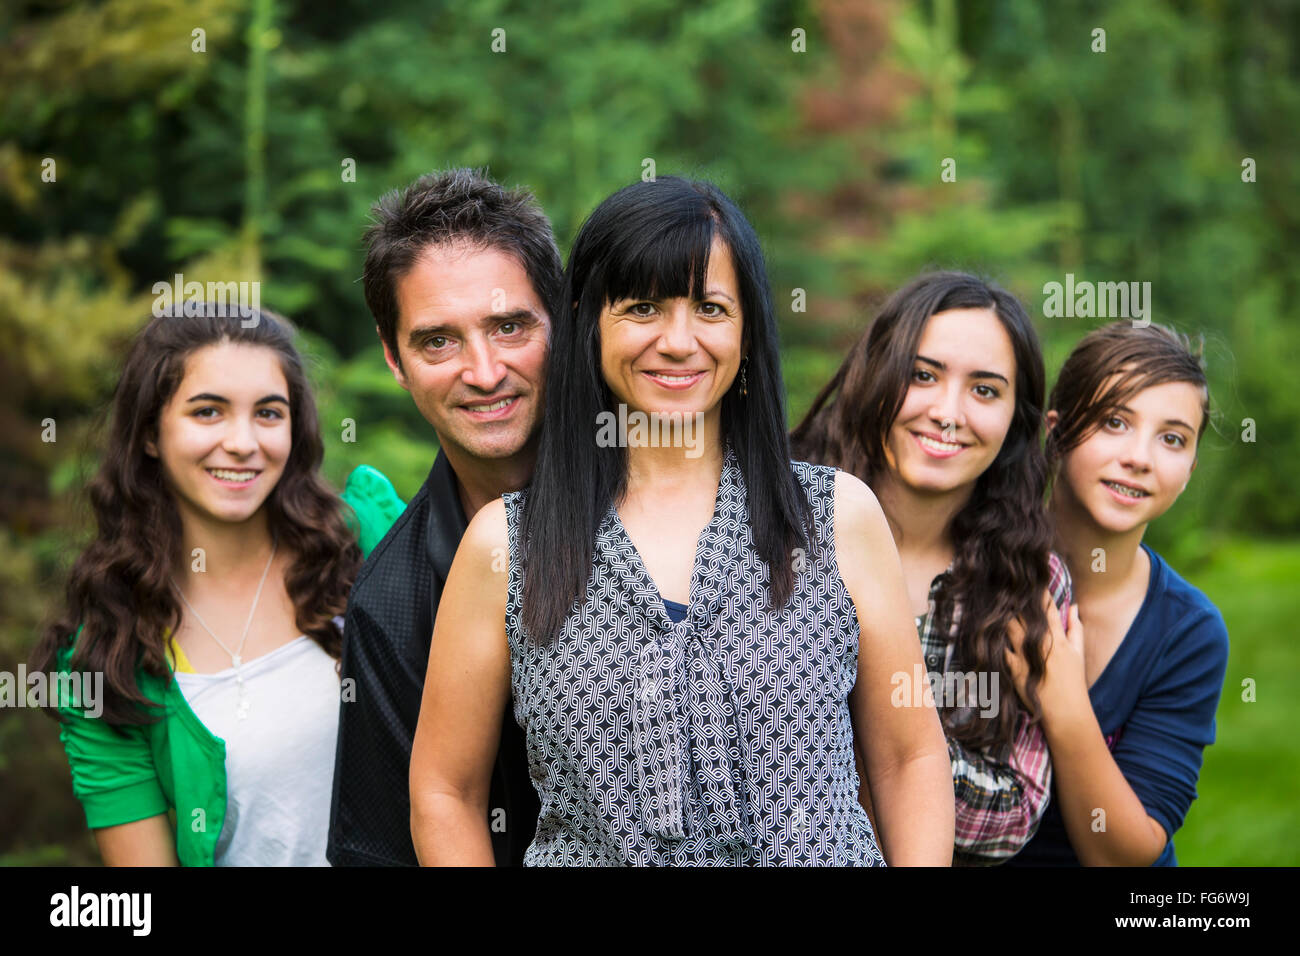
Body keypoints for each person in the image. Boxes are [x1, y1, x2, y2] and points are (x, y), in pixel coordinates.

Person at [409, 176, 954, 866]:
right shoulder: (506, 544)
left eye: (710, 308)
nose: (678, 340)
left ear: (748, 327)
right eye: (642, 307)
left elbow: (910, 758)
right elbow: (445, 790)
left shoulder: (836, 516)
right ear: (588, 321)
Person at [31, 305, 400, 866]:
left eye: (269, 414)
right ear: (151, 433)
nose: (243, 442)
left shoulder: (369, 539)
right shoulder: (106, 656)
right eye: (208, 412)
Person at [791, 271, 1071, 864]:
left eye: (986, 390)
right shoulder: (778, 522)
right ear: (878, 377)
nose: (948, 412)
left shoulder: (1027, 582)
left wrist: (890, 752)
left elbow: (1013, 813)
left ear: (1016, 422)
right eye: (924, 375)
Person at [327, 168, 560, 866]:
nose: (484, 371)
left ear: (565, 319)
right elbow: (381, 854)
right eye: (438, 341)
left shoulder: (681, 495)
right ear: (393, 358)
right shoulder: (391, 605)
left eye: (509, 326)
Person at [1005, 321, 1229, 866]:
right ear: (1056, 432)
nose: (1140, 457)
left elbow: (1124, 858)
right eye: (1114, 422)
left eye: (1172, 438)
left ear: (1190, 467)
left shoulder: (1189, 632)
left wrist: (1065, 707)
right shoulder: (974, 569)